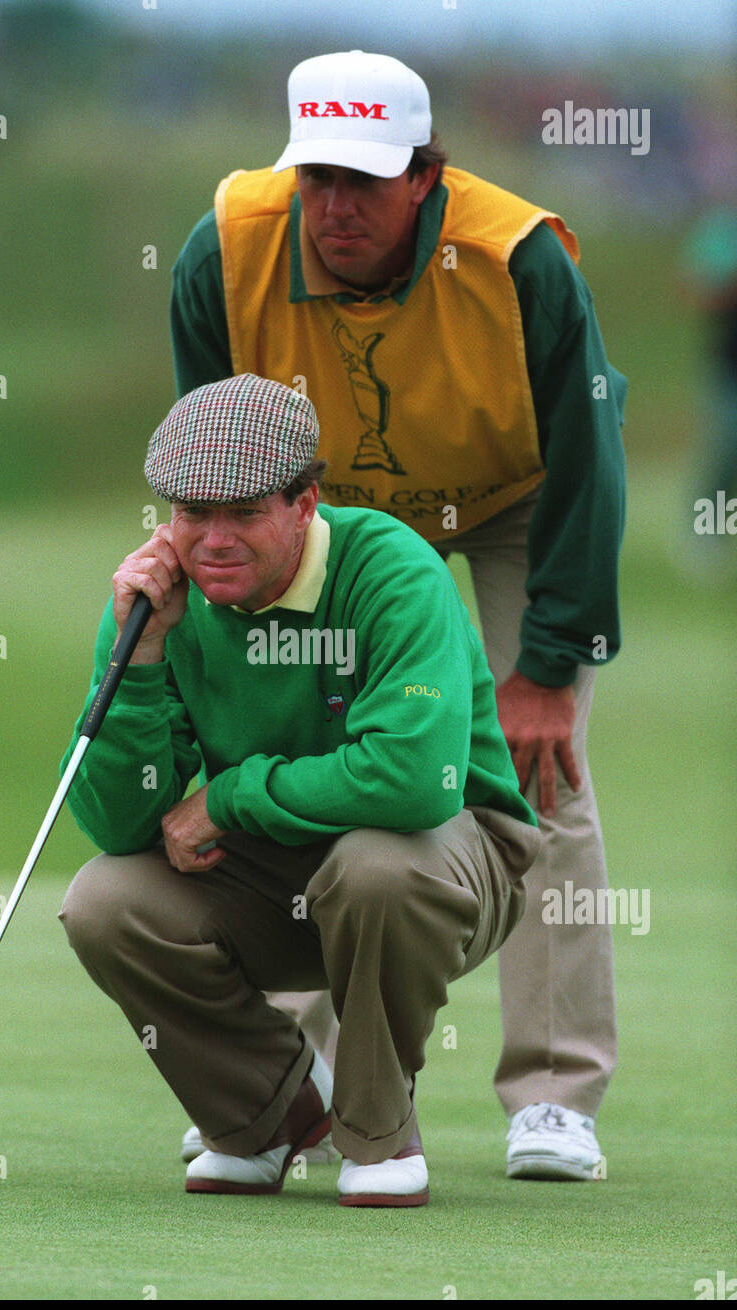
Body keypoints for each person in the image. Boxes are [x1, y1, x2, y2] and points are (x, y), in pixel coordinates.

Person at [169, 50, 627, 1180]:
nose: (333, 208)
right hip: (334, 508)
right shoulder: (226, 250)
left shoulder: (518, 255)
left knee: (540, 767)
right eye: (315, 177)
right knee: (296, 746)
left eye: (362, 183)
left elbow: (587, 452)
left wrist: (550, 664)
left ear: (424, 176)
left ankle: (554, 1092)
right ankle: (295, 1077)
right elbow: (211, 443)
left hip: (512, 491)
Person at [58, 373, 541, 1207]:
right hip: (279, 873)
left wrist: (231, 795)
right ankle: (269, 1112)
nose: (210, 540)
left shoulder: (391, 569)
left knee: (374, 866)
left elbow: (415, 781)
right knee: (104, 901)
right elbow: (119, 822)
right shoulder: (153, 601)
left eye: (242, 513)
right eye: (189, 512)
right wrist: (136, 662)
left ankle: (379, 1134)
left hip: (454, 859)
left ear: (304, 502)